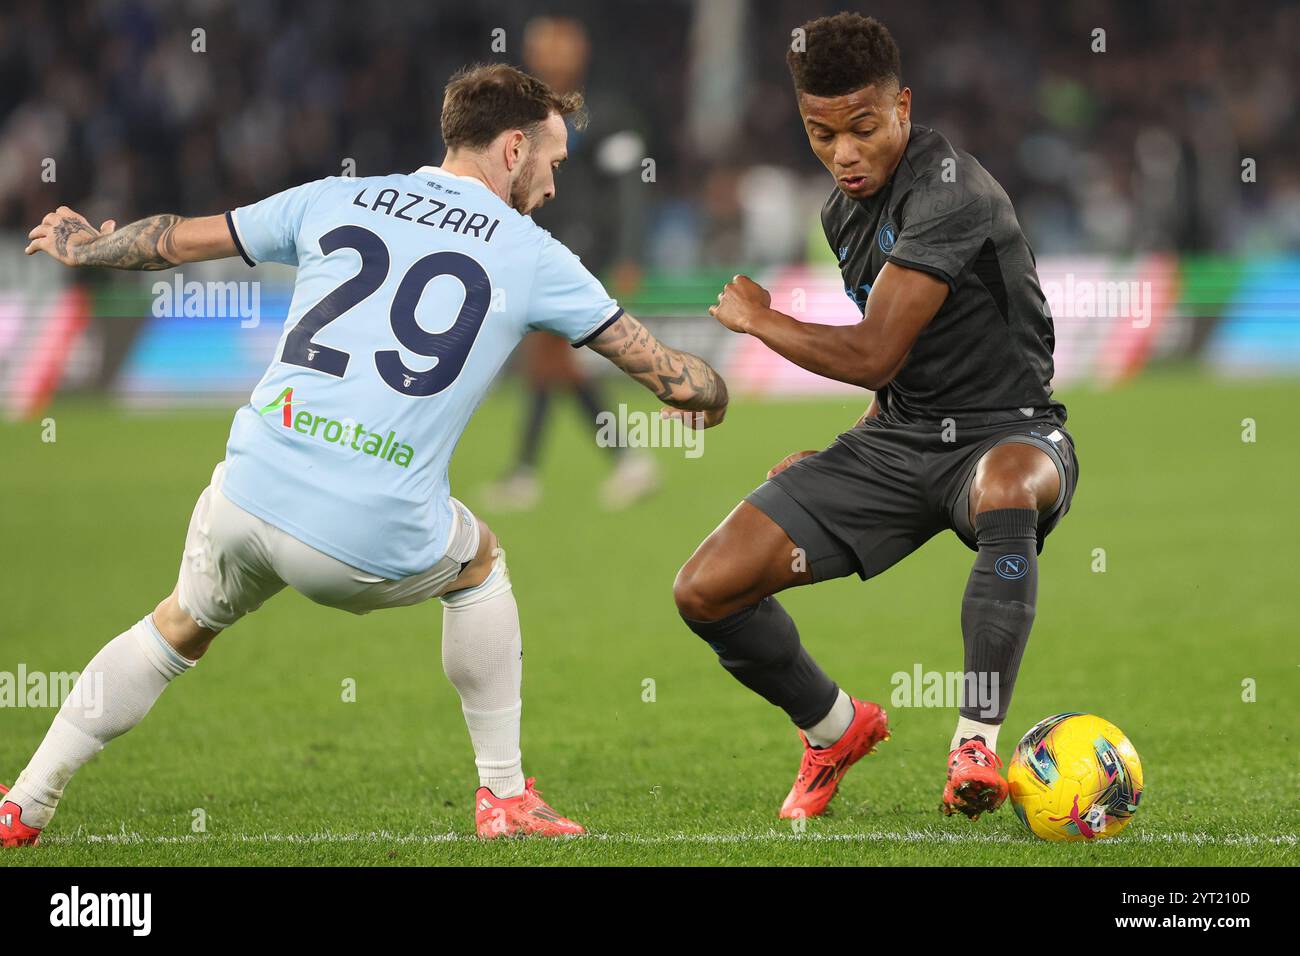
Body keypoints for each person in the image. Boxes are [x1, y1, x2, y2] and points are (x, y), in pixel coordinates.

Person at [4, 63, 727, 847]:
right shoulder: (533, 254)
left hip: (249, 489)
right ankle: (505, 797)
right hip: (364, 529)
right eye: (551, 161)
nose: (552, 186)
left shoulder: (332, 197)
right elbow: (675, 378)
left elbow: (175, 239)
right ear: (513, 149)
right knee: (480, 563)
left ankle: (24, 803)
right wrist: (712, 391)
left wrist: (91, 246)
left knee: (176, 625)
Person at [673, 13, 1078, 822]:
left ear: (903, 105)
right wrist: (847, 450)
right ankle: (833, 726)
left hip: (1010, 433)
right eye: (821, 134)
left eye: (863, 128)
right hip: (898, 440)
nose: (844, 153)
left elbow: (874, 351)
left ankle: (975, 745)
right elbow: (898, 374)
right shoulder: (842, 214)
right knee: (706, 589)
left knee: (1006, 485)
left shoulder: (951, 191)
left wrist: (762, 319)